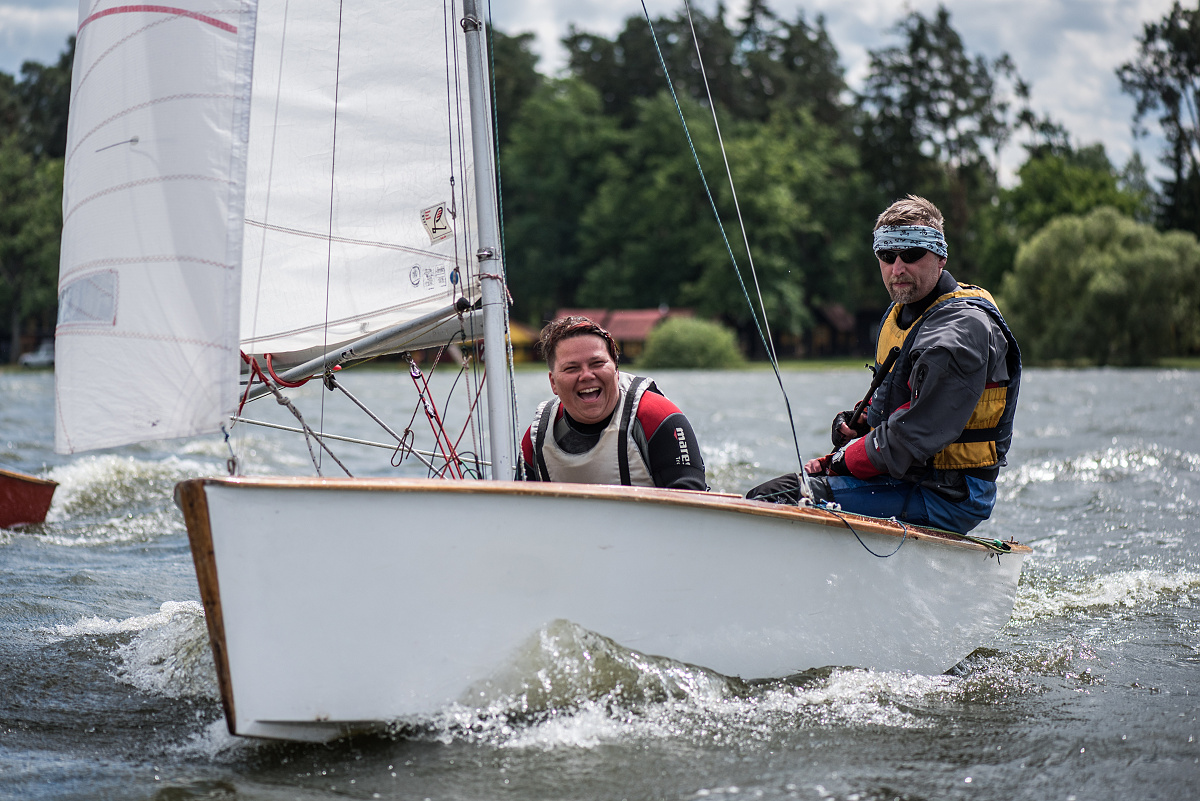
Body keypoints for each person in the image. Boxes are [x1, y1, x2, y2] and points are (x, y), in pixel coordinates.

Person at [747, 195, 1021, 533]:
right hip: (906, 476)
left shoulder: (960, 333)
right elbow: (894, 404)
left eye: (912, 255)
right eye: (887, 256)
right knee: (771, 492)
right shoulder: (901, 316)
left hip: (947, 494)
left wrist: (840, 462)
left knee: (777, 497)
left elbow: (915, 434)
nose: (898, 268)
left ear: (940, 257)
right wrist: (860, 423)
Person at [519, 315, 707, 490]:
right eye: (571, 368)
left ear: (616, 370)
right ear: (553, 383)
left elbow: (693, 506)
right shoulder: (537, 439)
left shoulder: (658, 418)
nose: (586, 375)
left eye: (597, 364)